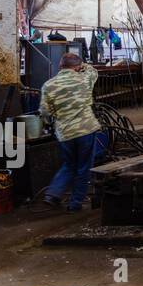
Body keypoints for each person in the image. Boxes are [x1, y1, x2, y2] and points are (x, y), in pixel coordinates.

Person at [39, 54, 103, 212]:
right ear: (78, 67)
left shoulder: (48, 85)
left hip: (65, 133)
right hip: (86, 130)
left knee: (69, 165)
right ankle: (75, 204)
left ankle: (52, 194)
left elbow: (45, 112)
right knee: (83, 167)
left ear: (60, 67)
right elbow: (93, 71)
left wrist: (52, 122)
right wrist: (83, 65)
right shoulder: (84, 79)